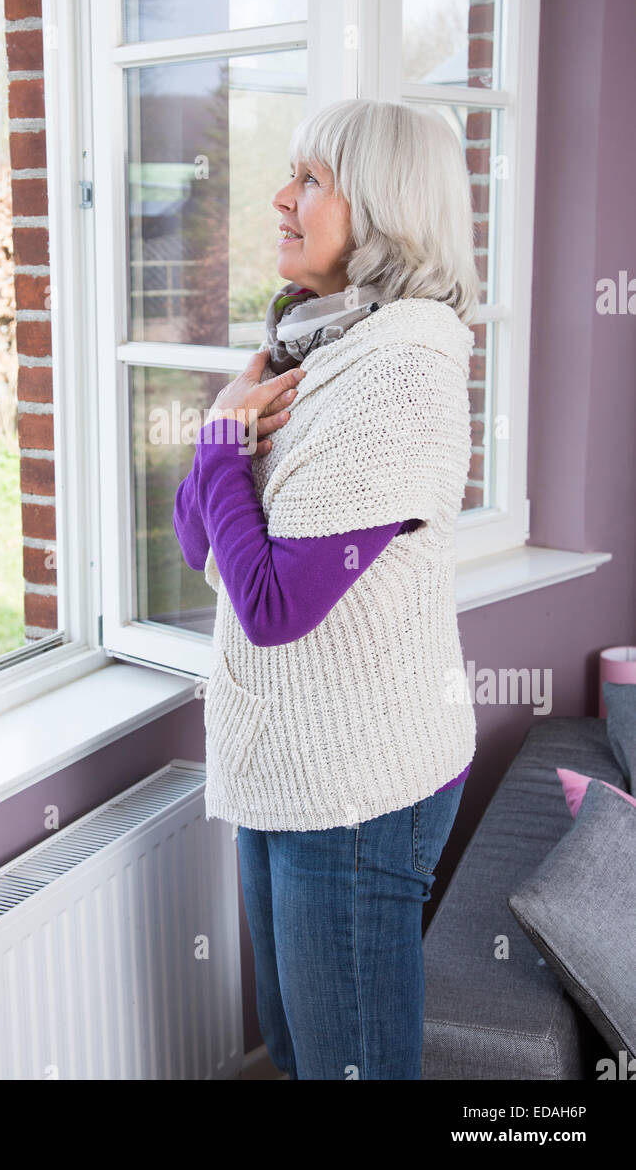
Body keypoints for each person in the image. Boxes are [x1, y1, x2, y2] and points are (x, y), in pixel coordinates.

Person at [173, 98, 481, 1080]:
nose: (278, 195)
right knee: (298, 1045)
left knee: (347, 1064)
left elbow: (270, 607)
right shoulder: (315, 350)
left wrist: (222, 438)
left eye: (310, 180)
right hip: (286, 763)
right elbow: (198, 537)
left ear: (383, 212)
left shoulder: (396, 375)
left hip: (357, 784)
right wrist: (221, 434)